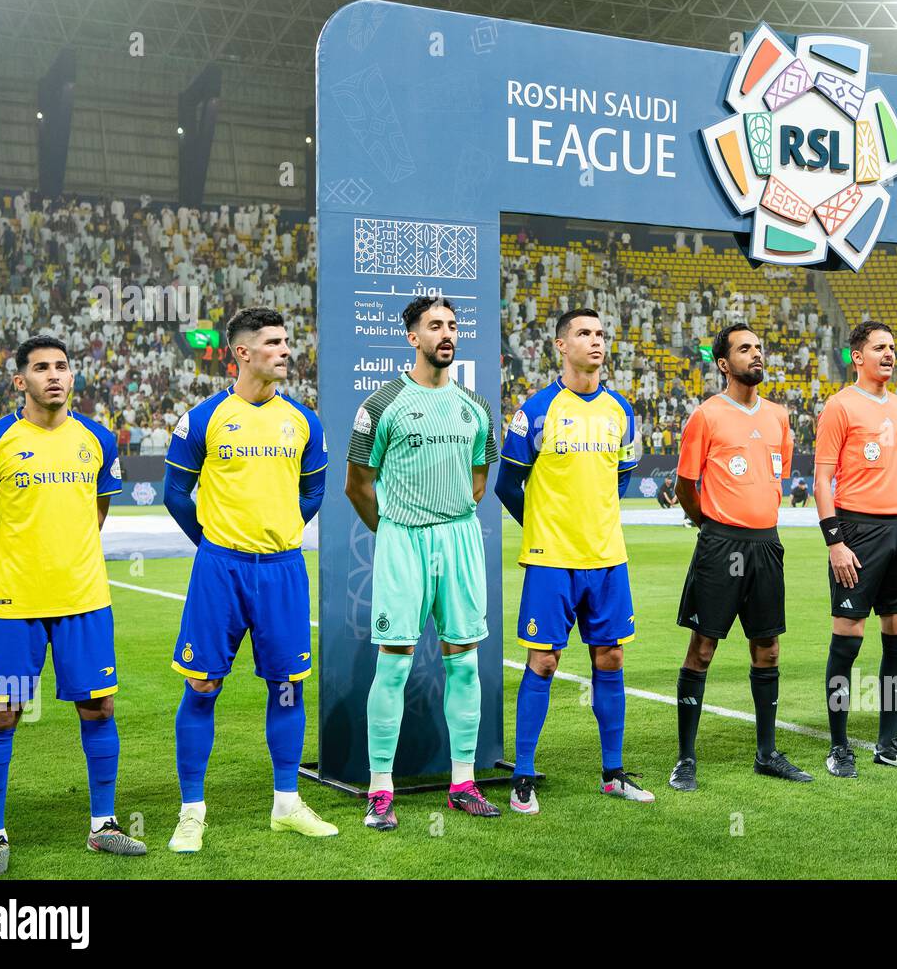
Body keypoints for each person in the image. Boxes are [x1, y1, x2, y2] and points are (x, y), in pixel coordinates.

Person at [0, 335, 146, 876]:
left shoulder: (98, 439)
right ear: (21, 381)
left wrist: (69, 560)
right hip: (14, 603)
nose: (54, 376)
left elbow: (98, 512)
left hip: (84, 599)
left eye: (62, 366)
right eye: (41, 368)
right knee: (0, 713)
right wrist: (19, 568)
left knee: (99, 708)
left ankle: (103, 826)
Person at [162, 306, 334, 852]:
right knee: (202, 686)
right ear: (242, 353)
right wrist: (216, 545)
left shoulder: (304, 420)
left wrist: (278, 533)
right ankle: (192, 812)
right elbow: (174, 494)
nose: (286, 350)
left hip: (283, 569)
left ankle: (286, 804)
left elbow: (313, 493)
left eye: (287, 341)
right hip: (220, 569)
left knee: (287, 687)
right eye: (275, 343)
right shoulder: (203, 418)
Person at [345, 297, 501, 831]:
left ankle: (463, 782)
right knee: (394, 663)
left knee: (464, 661)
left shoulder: (476, 407)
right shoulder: (382, 403)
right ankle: (380, 790)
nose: (446, 333)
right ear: (412, 336)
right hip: (402, 541)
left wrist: (448, 518)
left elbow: (479, 480)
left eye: (452, 325)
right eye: (435, 325)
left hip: (458, 538)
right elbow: (357, 485)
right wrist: (392, 532)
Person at [495, 307, 653, 813]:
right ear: (561, 346)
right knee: (543, 659)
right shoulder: (536, 410)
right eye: (584, 334)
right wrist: (541, 526)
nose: (596, 341)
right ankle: (523, 775)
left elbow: (621, 478)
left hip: (607, 557)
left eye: (601, 334)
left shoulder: (622, 412)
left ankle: (612, 773)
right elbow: (506, 483)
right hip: (551, 559)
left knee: (611, 658)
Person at [669, 323, 810, 792]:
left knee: (767, 648)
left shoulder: (779, 417)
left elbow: (779, 476)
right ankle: (686, 759)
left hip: (766, 544)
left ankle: (767, 753)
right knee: (703, 648)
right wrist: (707, 522)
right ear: (724, 364)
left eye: (760, 347)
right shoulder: (706, 416)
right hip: (721, 544)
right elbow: (686, 484)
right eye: (745, 348)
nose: (757, 354)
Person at [813, 320, 897, 778]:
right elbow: (823, 480)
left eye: (893, 347)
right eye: (880, 347)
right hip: (856, 532)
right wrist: (835, 541)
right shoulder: (840, 407)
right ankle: (840, 745)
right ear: (856, 357)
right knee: (849, 636)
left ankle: (887, 741)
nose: (889, 354)